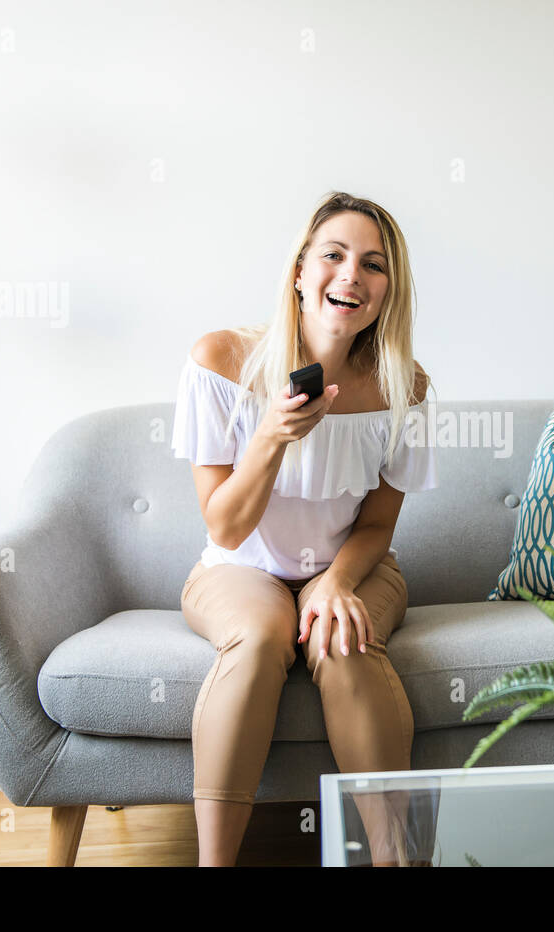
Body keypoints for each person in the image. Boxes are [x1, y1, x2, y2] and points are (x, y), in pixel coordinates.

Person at [170, 191, 437, 866]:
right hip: (240, 568)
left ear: (386, 293)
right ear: (299, 270)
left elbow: (378, 524)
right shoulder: (221, 361)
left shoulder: (403, 386)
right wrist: (270, 435)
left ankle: (393, 859)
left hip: (350, 563)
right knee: (260, 639)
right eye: (334, 255)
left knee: (341, 637)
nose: (352, 275)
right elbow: (226, 529)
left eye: (374, 265)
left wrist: (336, 584)